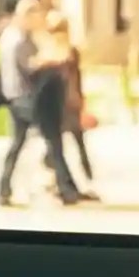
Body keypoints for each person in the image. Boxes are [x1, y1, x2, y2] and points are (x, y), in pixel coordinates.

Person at [0, 0, 81, 207]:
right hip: (29, 99)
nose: (39, 21)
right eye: (36, 16)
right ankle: (65, 188)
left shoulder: (12, 36)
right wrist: (52, 61)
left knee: (20, 144)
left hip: (17, 97)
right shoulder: (19, 39)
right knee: (53, 140)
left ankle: (6, 188)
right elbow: (30, 66)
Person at [42, 11, 98, 199]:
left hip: (69, 102)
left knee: (76, 141)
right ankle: (58, 180)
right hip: (56, 103)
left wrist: (80, 100)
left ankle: (82, 179)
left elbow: (75, 77)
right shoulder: (48, 51)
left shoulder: (69, 51)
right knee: (55, 146)